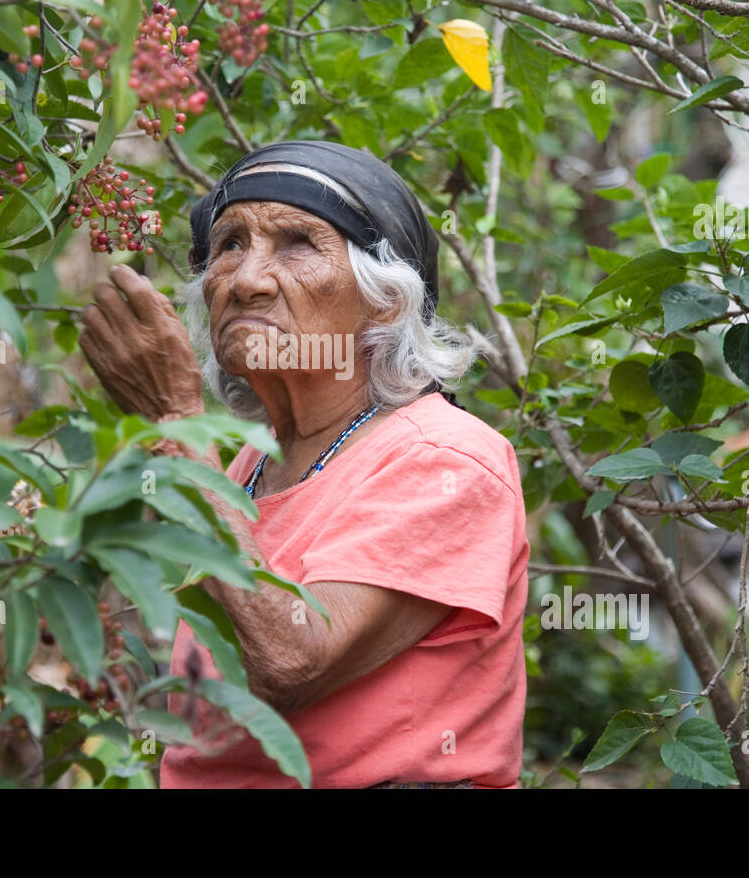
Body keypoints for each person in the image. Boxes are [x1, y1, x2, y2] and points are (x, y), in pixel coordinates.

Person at [78, 140, 529, 788]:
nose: (246, 279)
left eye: (296, 243)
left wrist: (175, 423)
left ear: (386, 302)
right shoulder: (245, 469)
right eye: (229, 243)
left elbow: (289, 661)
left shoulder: (443, 457)